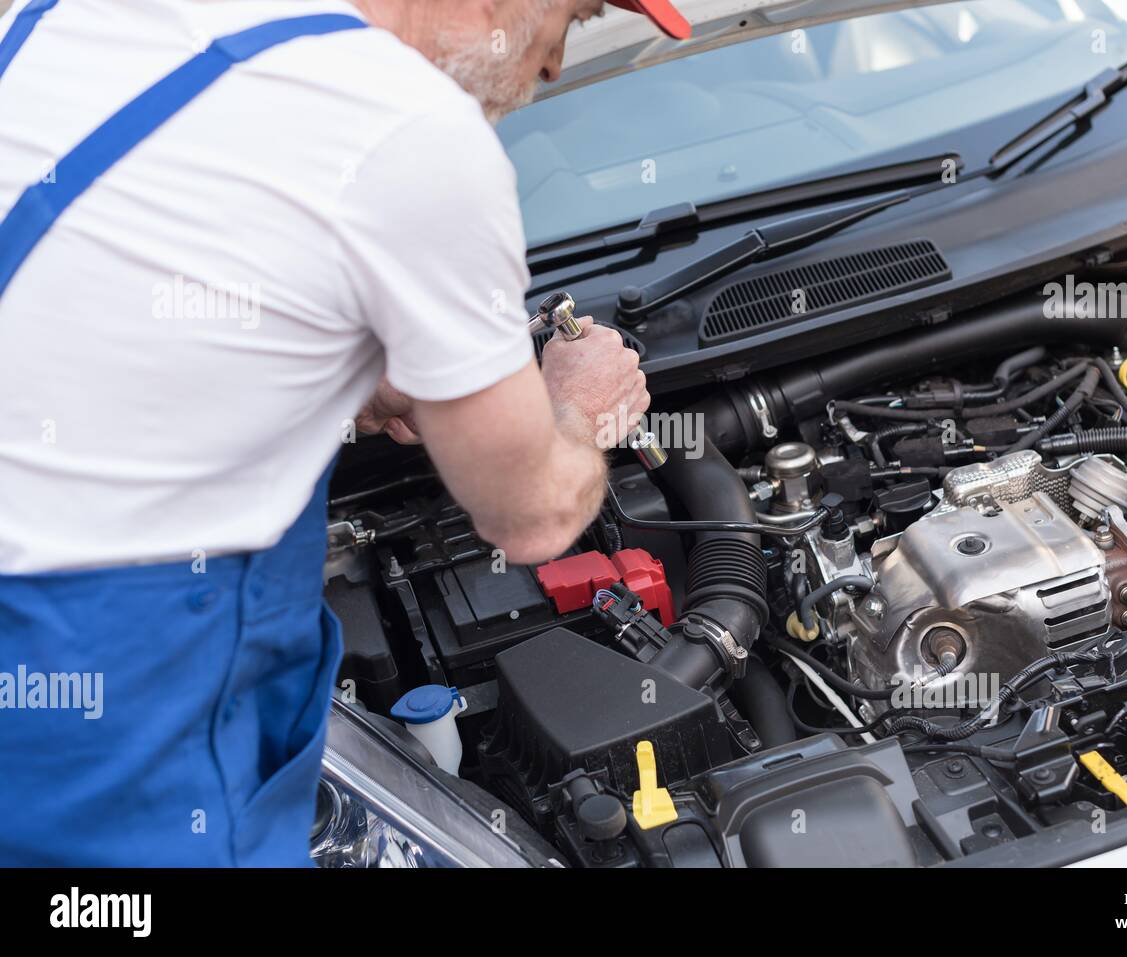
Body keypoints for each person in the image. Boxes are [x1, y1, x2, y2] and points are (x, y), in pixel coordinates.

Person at [0, 0, 691, 865]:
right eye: (578, 14)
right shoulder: (407, 129)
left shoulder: (76, 18)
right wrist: (582, 407)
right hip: (123, 702)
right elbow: (538, 517)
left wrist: (335, 387)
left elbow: (108, 303)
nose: (553, 63)